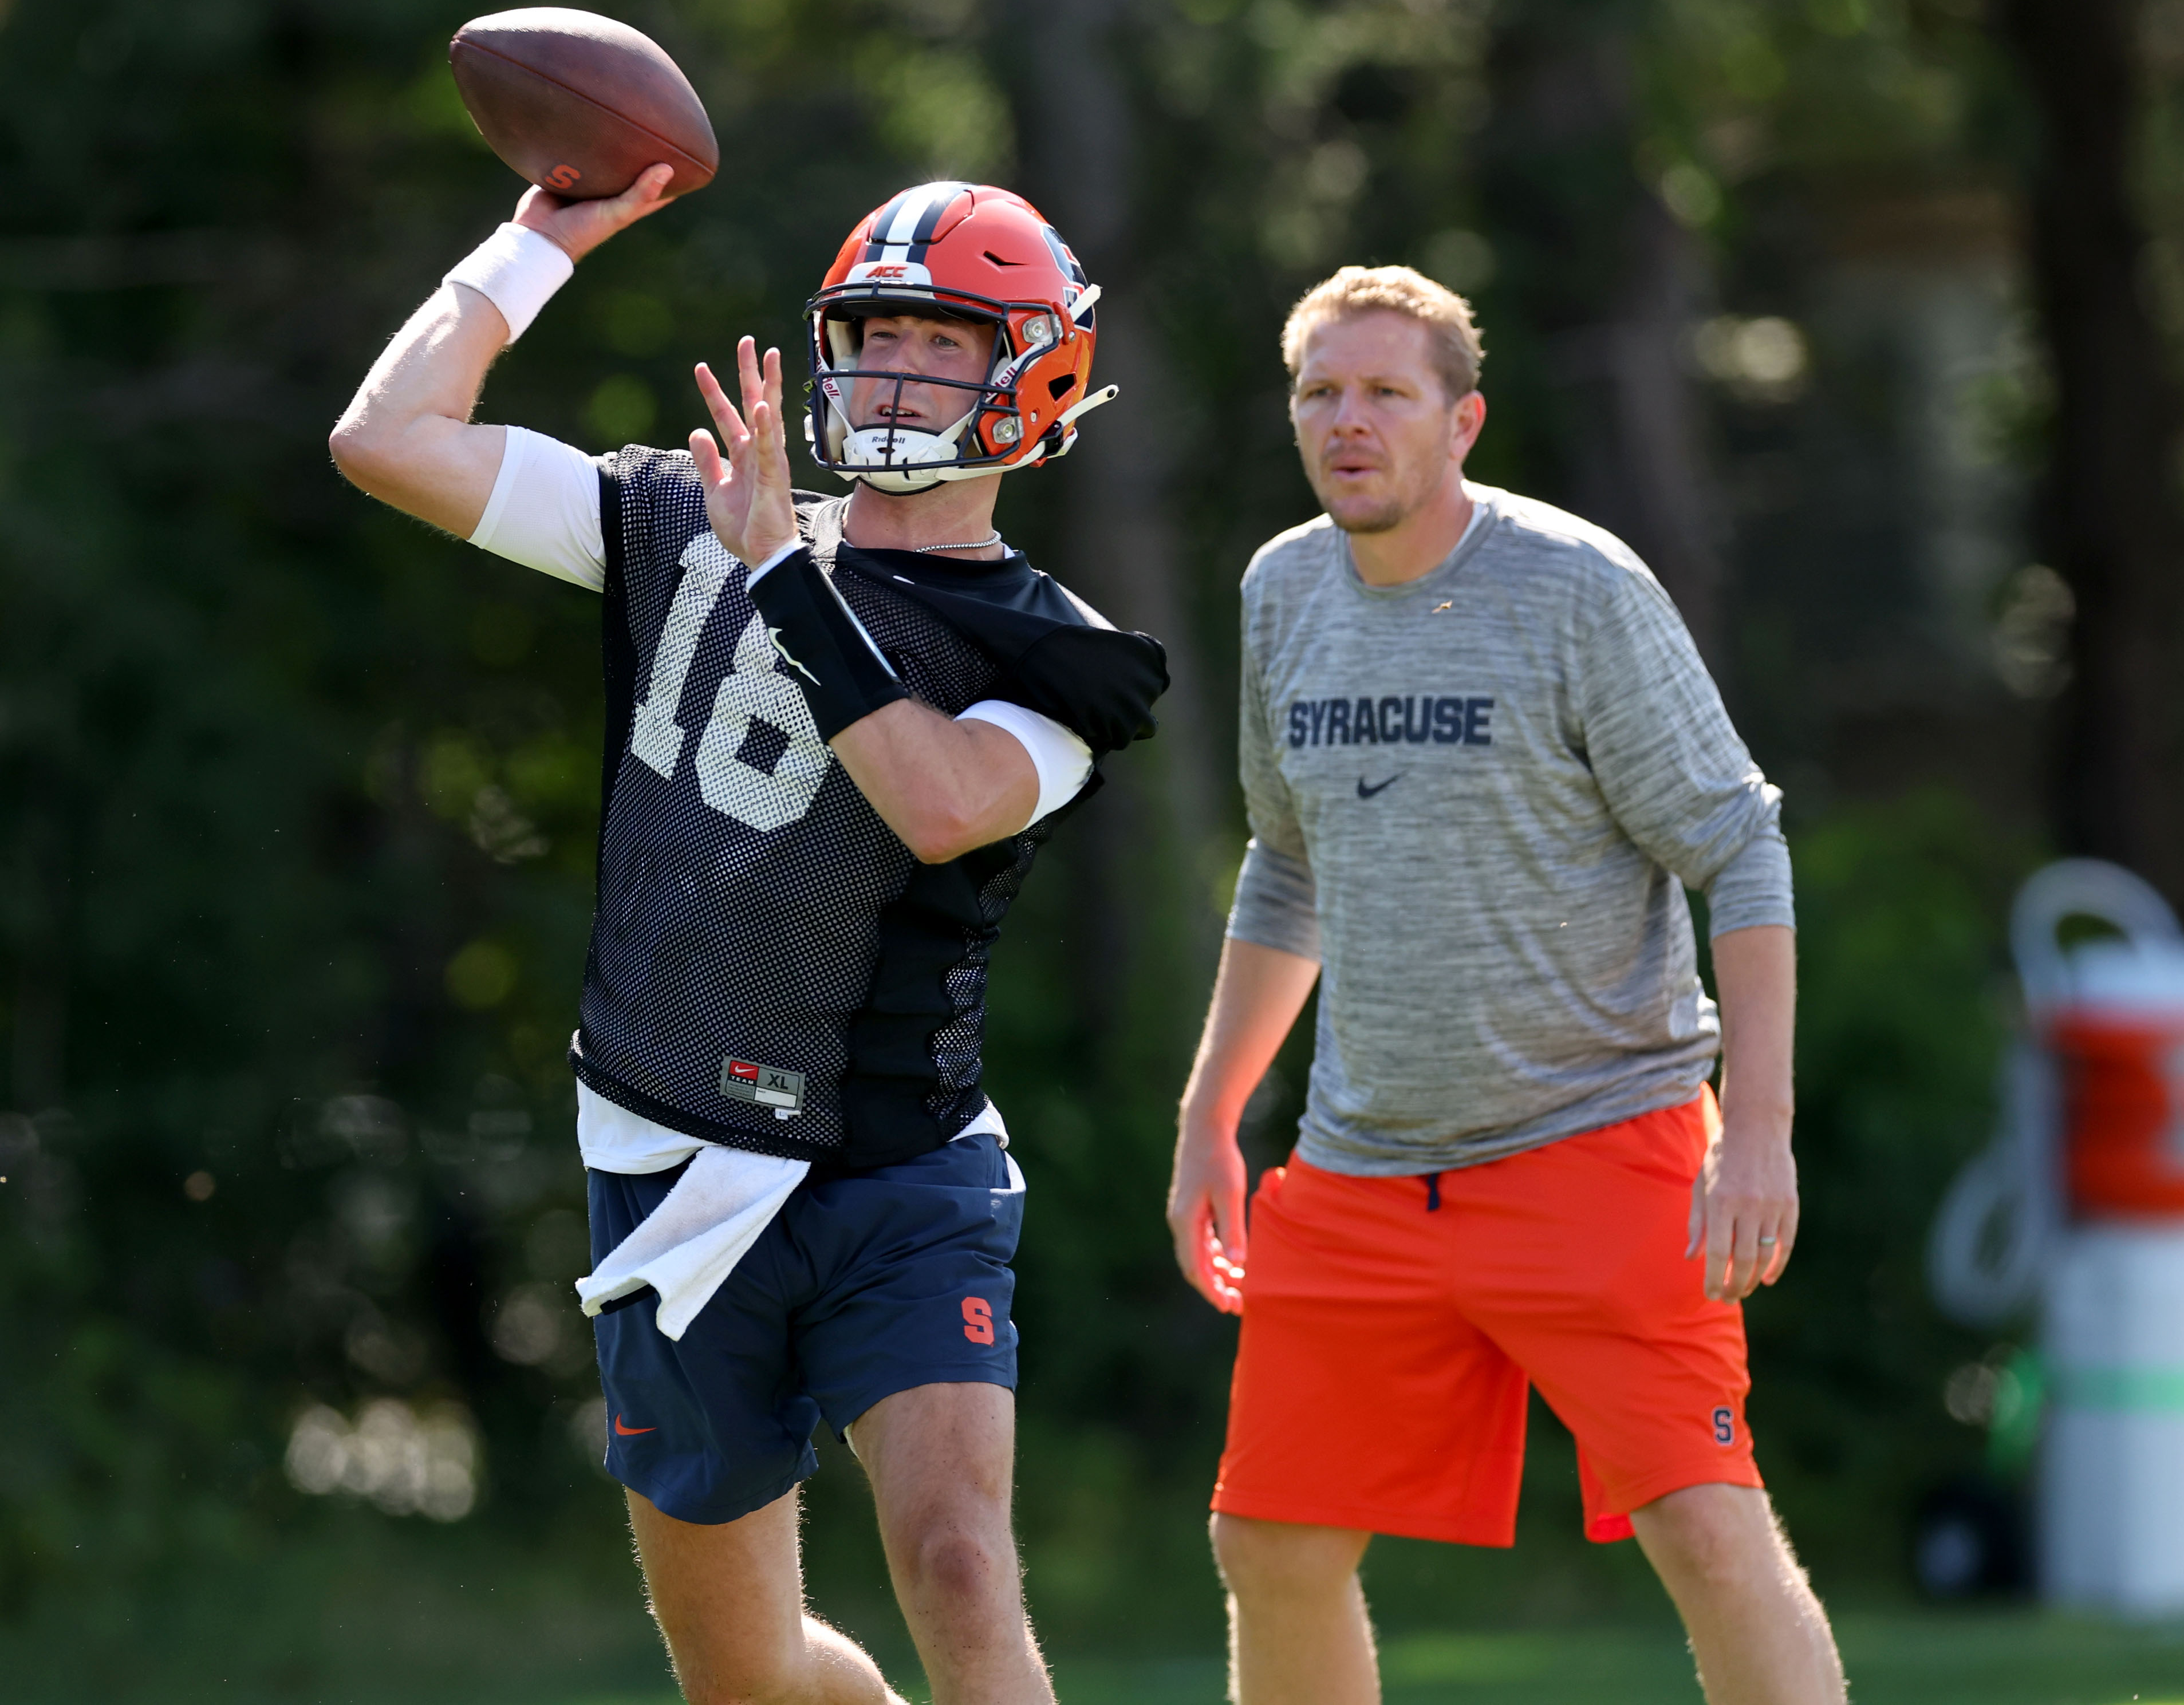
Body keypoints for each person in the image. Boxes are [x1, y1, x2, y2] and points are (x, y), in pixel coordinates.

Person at [331, 168, 1164, 1705]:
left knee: (962, 1562)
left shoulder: (1054, 644)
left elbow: (934, 799)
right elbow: (386, 441)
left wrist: (785, 567)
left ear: (1035, 372)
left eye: (943, 342)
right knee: (753, 1674)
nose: (897, 371)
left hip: (898, 1162)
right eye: (879, 333)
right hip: (665, 1152)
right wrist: (539, 243)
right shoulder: (695, 515)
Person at [1166, 265, 1846, 1705]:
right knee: (1270, 1540)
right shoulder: (1283, 589)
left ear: (1462, 419)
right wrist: (1211, 1113)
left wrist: (1762, 1127)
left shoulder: (1577, 588)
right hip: (1362, 1171)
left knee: (1708, 1531)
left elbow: (1742, 842)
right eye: (1320, 392)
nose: (1348, 421)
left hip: (1605, 1146)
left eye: (1386, 393)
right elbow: (1286, 867)